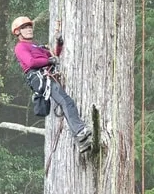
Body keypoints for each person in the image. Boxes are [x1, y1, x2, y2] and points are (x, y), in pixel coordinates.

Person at [11, 15, 94, 153]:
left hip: (47, 76)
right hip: (41, 77)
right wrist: (49, 61)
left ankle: (82, 139)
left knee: (66, 102)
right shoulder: (20, 47)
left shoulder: (36, 46)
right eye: (25, 27)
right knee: (66, 101)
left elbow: (53, 54)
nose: (29, 29)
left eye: (30, 26)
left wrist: (59, 44)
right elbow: (31, 62)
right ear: (18, 32)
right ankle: (80, 132)